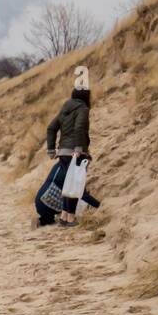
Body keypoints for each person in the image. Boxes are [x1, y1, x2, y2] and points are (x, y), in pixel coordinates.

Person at [45, 87, 93, 225]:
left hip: (63, 153)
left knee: (68, 184)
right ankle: (71, 218)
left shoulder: (65, 109)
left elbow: (51, 128)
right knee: (75, 186)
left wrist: (51, 149)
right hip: (76, 152)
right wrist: (78, 149)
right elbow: (79, 128)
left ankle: (64, 217)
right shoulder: (83, 109)